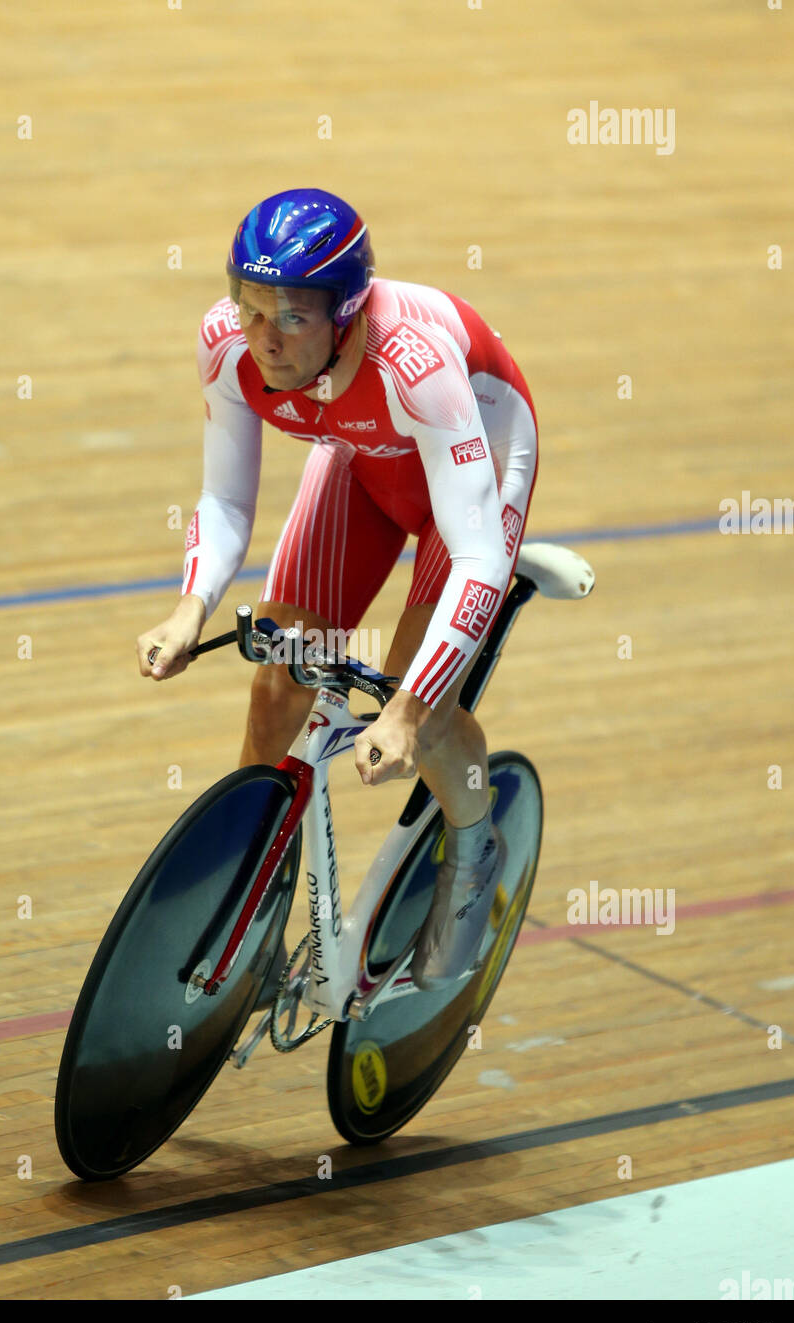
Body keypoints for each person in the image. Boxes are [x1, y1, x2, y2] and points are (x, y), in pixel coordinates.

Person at [136, 188, 538, 990]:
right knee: (276, 682)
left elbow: (480, 561)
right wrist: (190, 609)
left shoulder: (413, 366)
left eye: (291, 318)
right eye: (251, 310)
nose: (265, 339)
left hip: (473, 477)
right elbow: (224, 500)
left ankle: (472, 855)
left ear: (346, 314)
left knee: (415, 707)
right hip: (365, 462)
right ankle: (246, 909)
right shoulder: (227, 346)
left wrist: (408, 710)